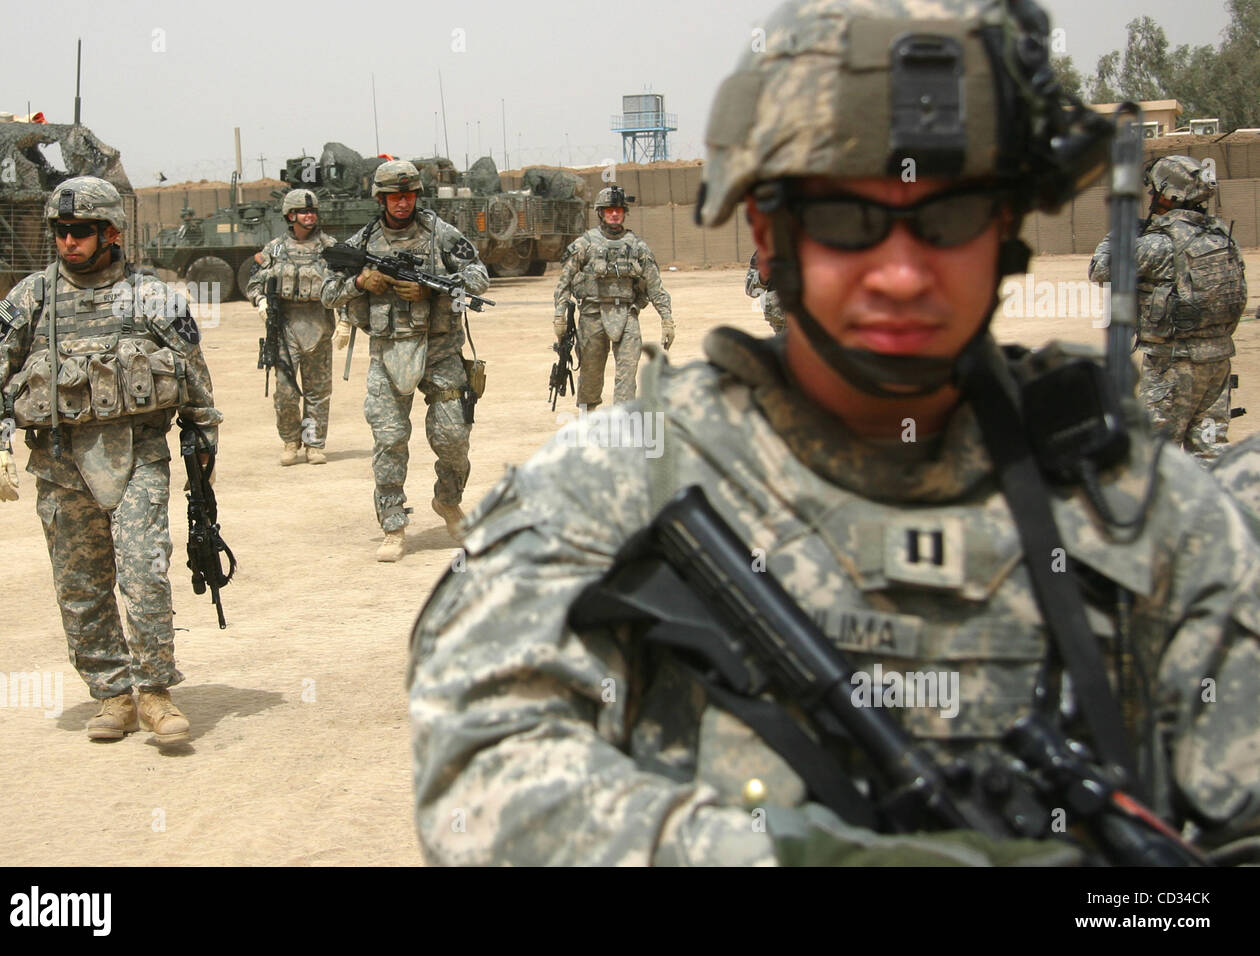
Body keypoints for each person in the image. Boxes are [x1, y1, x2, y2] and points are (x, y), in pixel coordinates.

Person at [407, 0, 1260, 866]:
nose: (900, 273)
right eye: (848, 221)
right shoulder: (618, 485)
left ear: (1005, 230)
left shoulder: (1136, 508)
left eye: (948, 216)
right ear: (772, 236)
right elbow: (482, 766)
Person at [0, 176, 221, 745]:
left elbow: (194, 373)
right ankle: (113, 694)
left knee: (144, 572)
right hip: (60, 465)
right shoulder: (31, 298)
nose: (68, 243)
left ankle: (155, 692)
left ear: (111, 233)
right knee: (80, 584)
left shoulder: (152, 296)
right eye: (60, 232)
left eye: (80, 232)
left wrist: (204, 441)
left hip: (139, 457)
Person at [322, 160, 489, 562]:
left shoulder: (441, 235)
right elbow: (328, 291)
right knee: (390, 441)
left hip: (441, 352)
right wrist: (360, 281)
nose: (402, 203)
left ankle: (448, 501)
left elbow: (480, 278)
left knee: (453, 438)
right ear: (381, 199)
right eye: (395, 196)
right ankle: (394, 525)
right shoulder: (361, 241)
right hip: (387, 352)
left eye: (409, 195)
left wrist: (435, 292)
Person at [1090, 155, 1248, 460]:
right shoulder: (1223, 238)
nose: (1151, 197)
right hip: (1218, 363)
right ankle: (1210, 508)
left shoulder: (1158, 244)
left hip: (1173, 366)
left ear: (1168, 194)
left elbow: (1100, 268)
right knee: (1210, 453)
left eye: (1155, 191)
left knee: (1152, 457)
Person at [553, 185, 674, 409]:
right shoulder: (585, 244)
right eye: (609, 210)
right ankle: (588, 421)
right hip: (592, 316)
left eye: (619, 210)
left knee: (627, 376)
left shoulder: (637, 247)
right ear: (600, 212)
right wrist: (559, 317)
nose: (615, 214)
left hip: (627, 314)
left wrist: (667, 320)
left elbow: (655, 287)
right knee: (590, 374)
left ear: (625, 213)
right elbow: (564, 283)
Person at [247, 188, 338, 466]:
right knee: (285, 392)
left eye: (312, 211)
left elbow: (343, 284)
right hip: (284, 328)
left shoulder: (329, 247)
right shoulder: (274, 249)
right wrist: (261, 302)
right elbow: (253, 283)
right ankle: (290, 440)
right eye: (303, 211)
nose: (309, 216)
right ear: (290, 215)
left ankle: (313, 444)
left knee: (318, 392)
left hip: (319, 325)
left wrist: (345, 319)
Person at [744, 251, 785, 332]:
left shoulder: (814, 245)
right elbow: (751, 291)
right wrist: (763, 275)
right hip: (783, 320)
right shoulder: (767, 249)